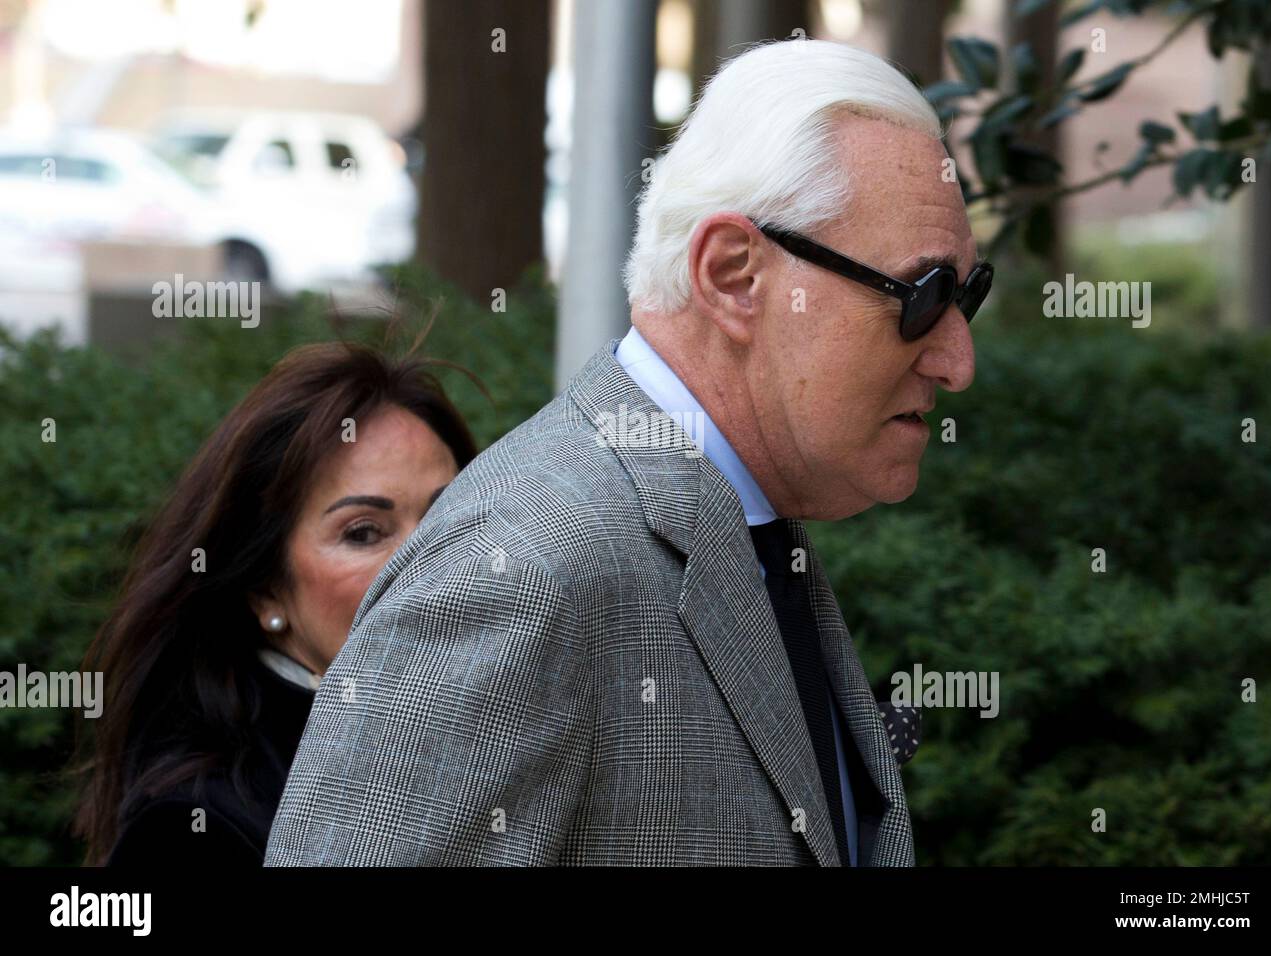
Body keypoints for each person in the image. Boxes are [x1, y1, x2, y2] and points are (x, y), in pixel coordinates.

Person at [266, 38, 991, 867]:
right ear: (731, 276)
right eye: (924, 295)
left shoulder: (740, 518)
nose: (958, 361)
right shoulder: (527, 567)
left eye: (967, 296)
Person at [73, 341, 477, 865]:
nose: (428, 561)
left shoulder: (518, 737)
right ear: (266, 590)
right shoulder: (193, 830)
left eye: (448, 514)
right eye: (363, 533)